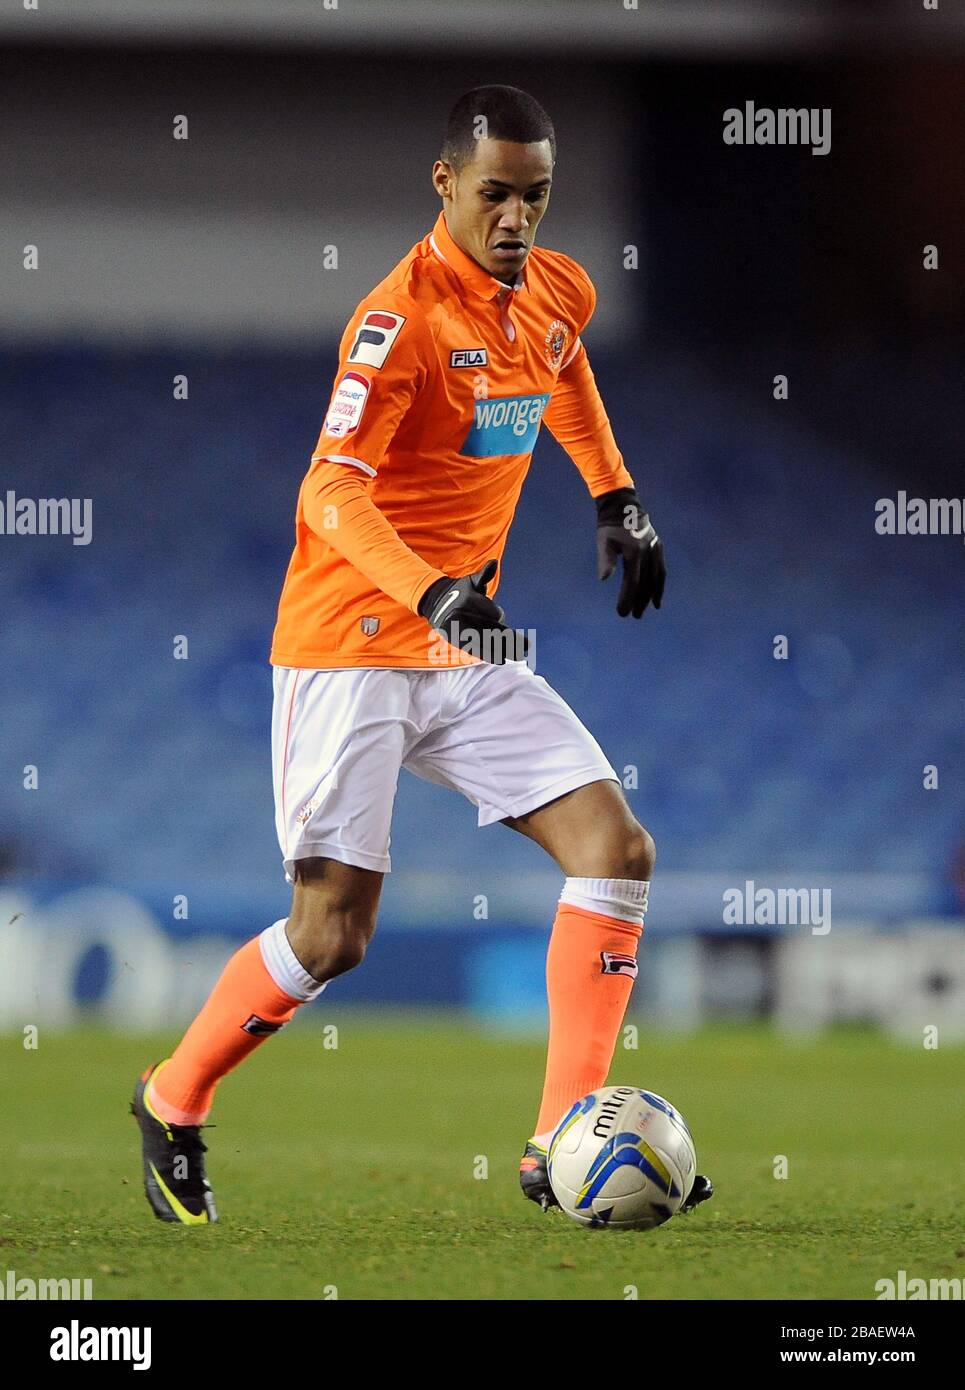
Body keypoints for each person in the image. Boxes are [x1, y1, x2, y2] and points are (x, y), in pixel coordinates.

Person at [132, 84, 711, 1224]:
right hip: (352, 641)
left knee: (615, 845)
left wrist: (614, 493)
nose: (514, 218)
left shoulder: (554, 288)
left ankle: (560, 1139)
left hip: (463, 642)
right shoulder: (396, 321)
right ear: (445, 182)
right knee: (332, 936)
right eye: (493, 194)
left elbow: (563, 360)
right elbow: (329, 485)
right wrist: (433, 589)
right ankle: (172, 1094)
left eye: (534, 198)